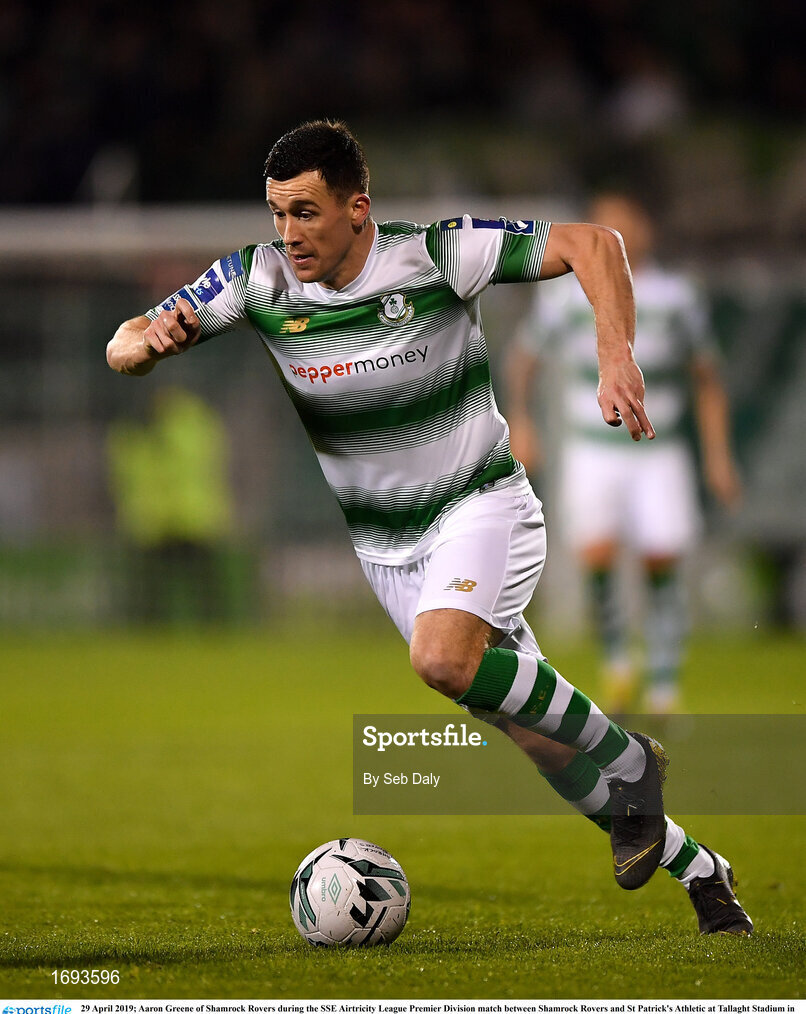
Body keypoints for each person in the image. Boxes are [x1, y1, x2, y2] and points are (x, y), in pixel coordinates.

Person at [107, 120, 752, 935]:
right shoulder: (256, 279)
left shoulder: (439, 254)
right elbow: (122, 343)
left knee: (442, 661)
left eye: (305, 212)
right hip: (386, 548)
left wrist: (616, 351)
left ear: (357, 208)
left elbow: (596, 244)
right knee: (537, 739)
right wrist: (149, 347)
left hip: (481, 504)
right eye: (276, 214)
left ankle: (633, 763)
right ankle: (703, 873)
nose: (287, 234)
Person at [508, 192, 742, 714]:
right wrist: (521, 424)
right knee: (596, 555)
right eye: (605, 224)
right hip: (593, 451)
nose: (616, 233)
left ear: (644, 228)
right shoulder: (565, 297)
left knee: (662, 557)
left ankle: (662, 685)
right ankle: (617, 664)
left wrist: (719, 456)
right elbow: (524, 359)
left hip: (659, 453)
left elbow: (708, 378)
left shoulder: (676, 296)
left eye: (625, 223)